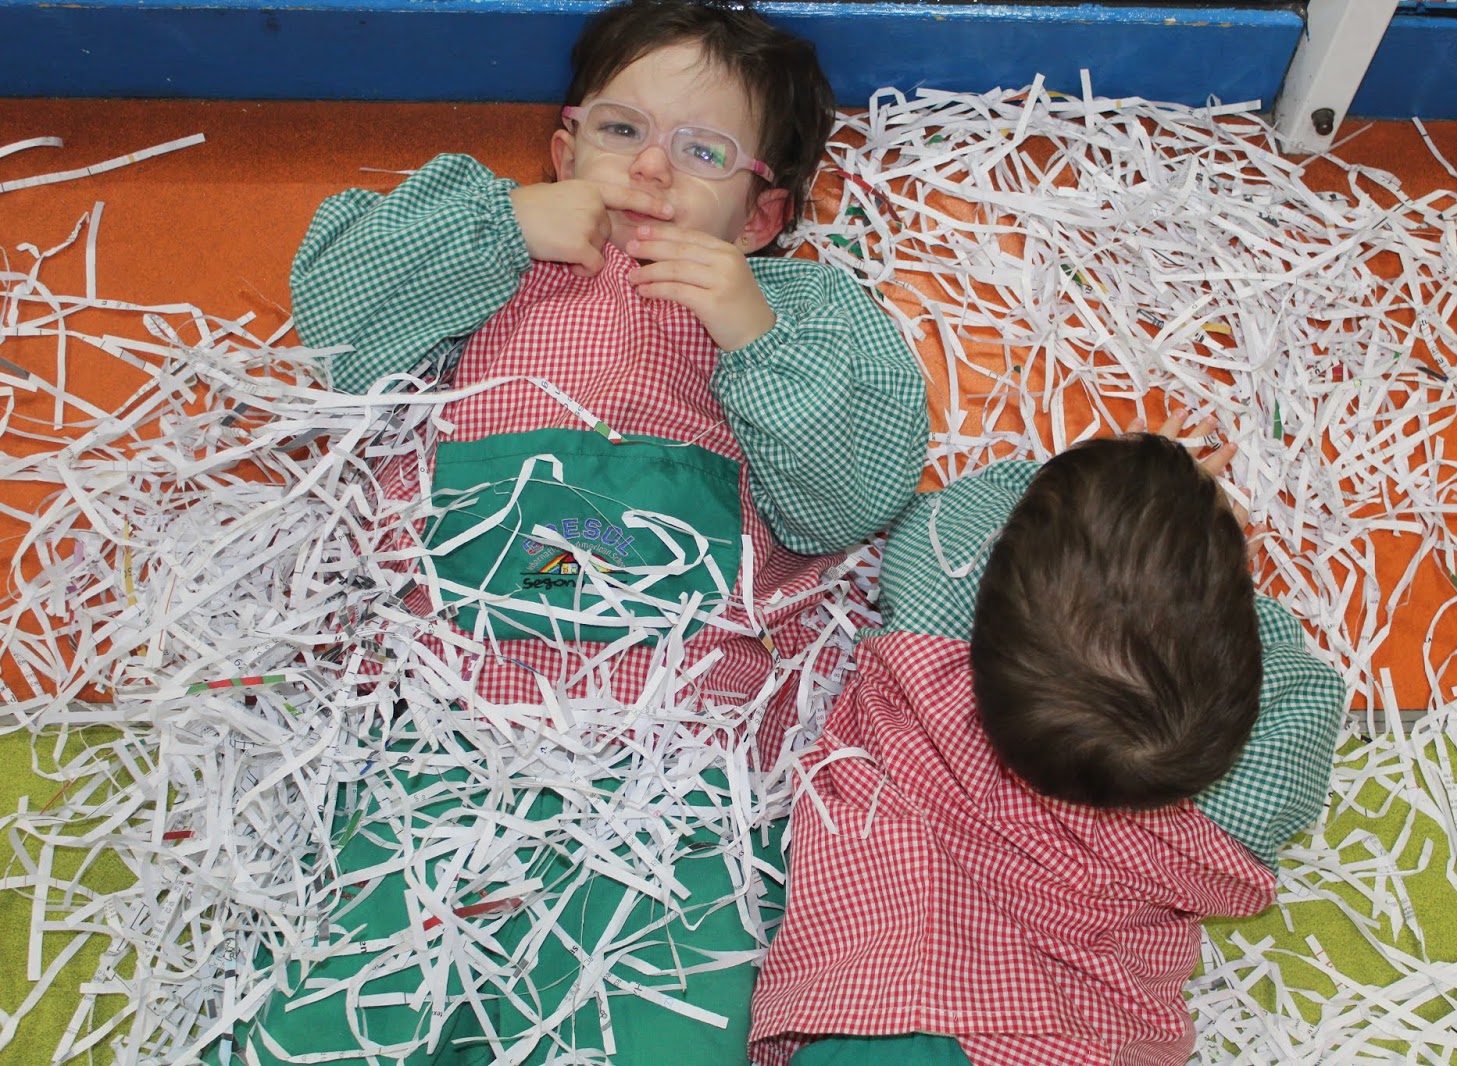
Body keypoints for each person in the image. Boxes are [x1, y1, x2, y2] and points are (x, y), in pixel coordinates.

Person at [216, 2, 929, 1063]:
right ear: (564, 150)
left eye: (703, 152)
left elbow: (849, 498)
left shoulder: (803, 315)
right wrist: (506, 226)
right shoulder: (490, 250)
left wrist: (750, 328)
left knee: (664, 1028)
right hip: (449, 727)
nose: (650, 168)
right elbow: (335, 324)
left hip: (677, 762)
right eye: (620, 129)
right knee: (341, 1014)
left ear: (760, 215)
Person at [749, 412, 1348, 1066]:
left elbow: (965, 514)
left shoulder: (936, 610)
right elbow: (1312, 690)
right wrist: (1207, 572)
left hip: (876, 996)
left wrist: (1104, 501)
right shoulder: (1236, 796)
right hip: (1075, 1040)